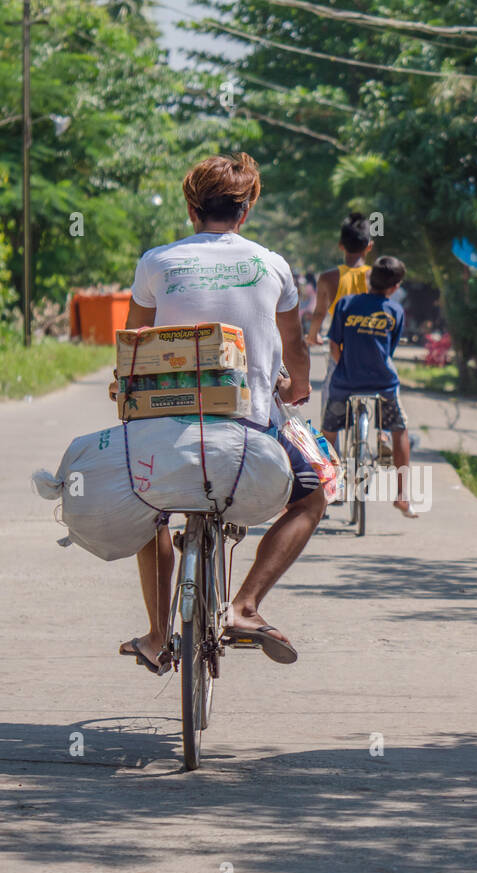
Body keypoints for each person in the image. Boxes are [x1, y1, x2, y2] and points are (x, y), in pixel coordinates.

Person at [115, 152, 325, 672]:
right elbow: (294, 347)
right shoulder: (272, 264)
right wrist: (296, 386)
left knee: (149, 508)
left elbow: (133, 345)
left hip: (165, 432)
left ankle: (160, 633)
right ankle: (246, 605)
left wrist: (125, 387)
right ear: (246, 209)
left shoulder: (156, 262)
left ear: (192, 208)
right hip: (249, 435)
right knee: (312, 498)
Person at [323, 255, 418, 519]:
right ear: (395, 287)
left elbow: (333, 346)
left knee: (329, 431)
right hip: (383, 383)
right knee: (399, 427)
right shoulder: (395, 311)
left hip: (345, 382)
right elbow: (390, 351)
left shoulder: (345, 304)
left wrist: (347, 368)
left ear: (369, 278)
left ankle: (326, 489)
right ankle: (401, 496)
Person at [307, 213, 373, 428]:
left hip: (340, 347)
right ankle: (384, 435)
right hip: (370, 346)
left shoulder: (328, 277)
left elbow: (319, 313)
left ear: (341, 246)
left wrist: (313, 335)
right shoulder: (374, 276)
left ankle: (330, 453)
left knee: (330, 395)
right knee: (384, 391)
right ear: (369, 246)